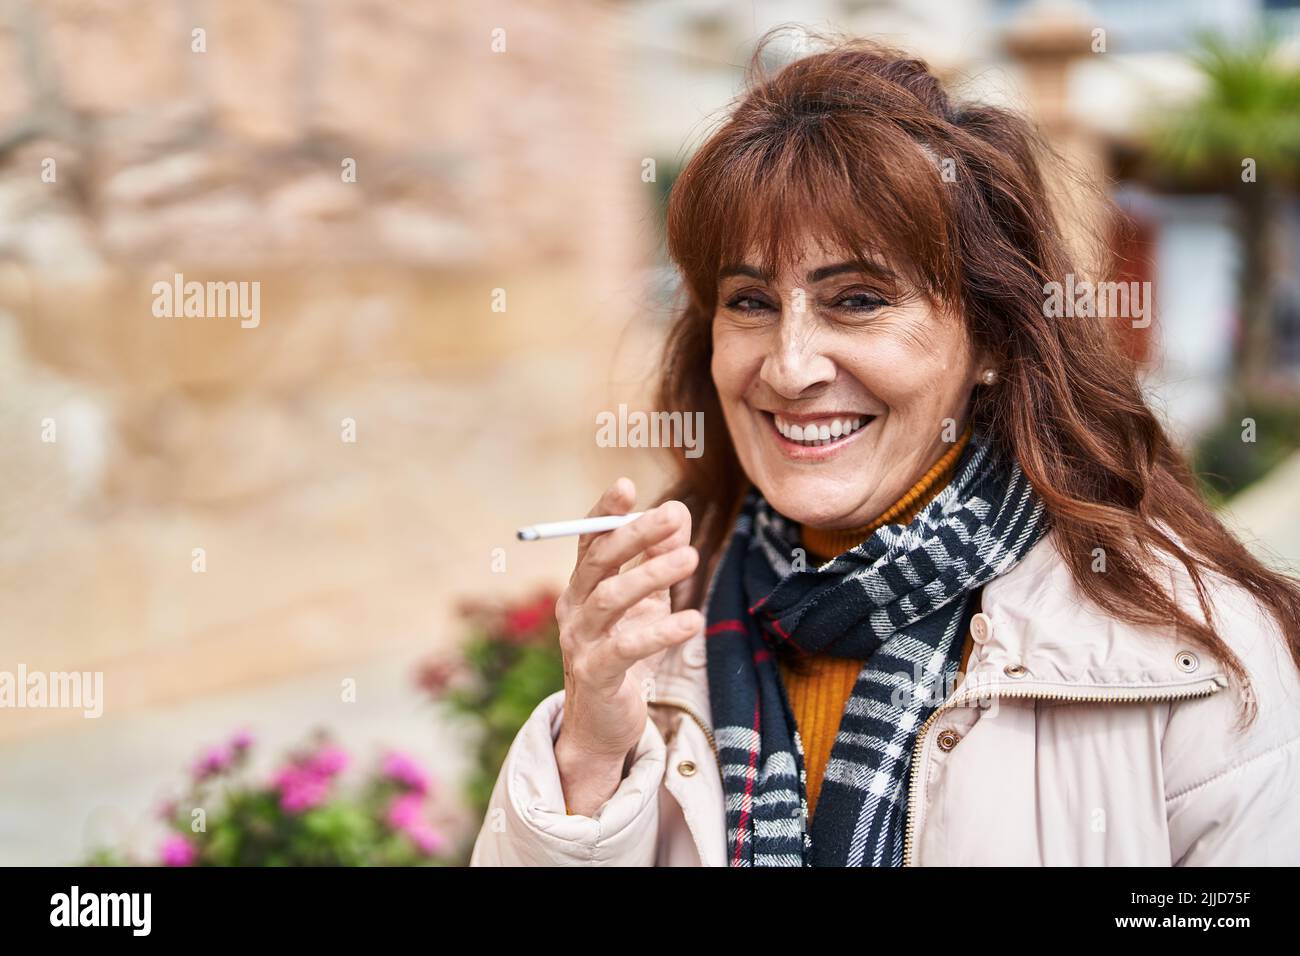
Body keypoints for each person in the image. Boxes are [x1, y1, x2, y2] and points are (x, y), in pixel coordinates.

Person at [471, 35, 1300, 866]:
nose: (791, 368)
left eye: (858, 300)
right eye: (751, 300)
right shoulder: (659, 635)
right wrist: (587, 758)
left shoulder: (1191, 657)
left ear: (993, 342)